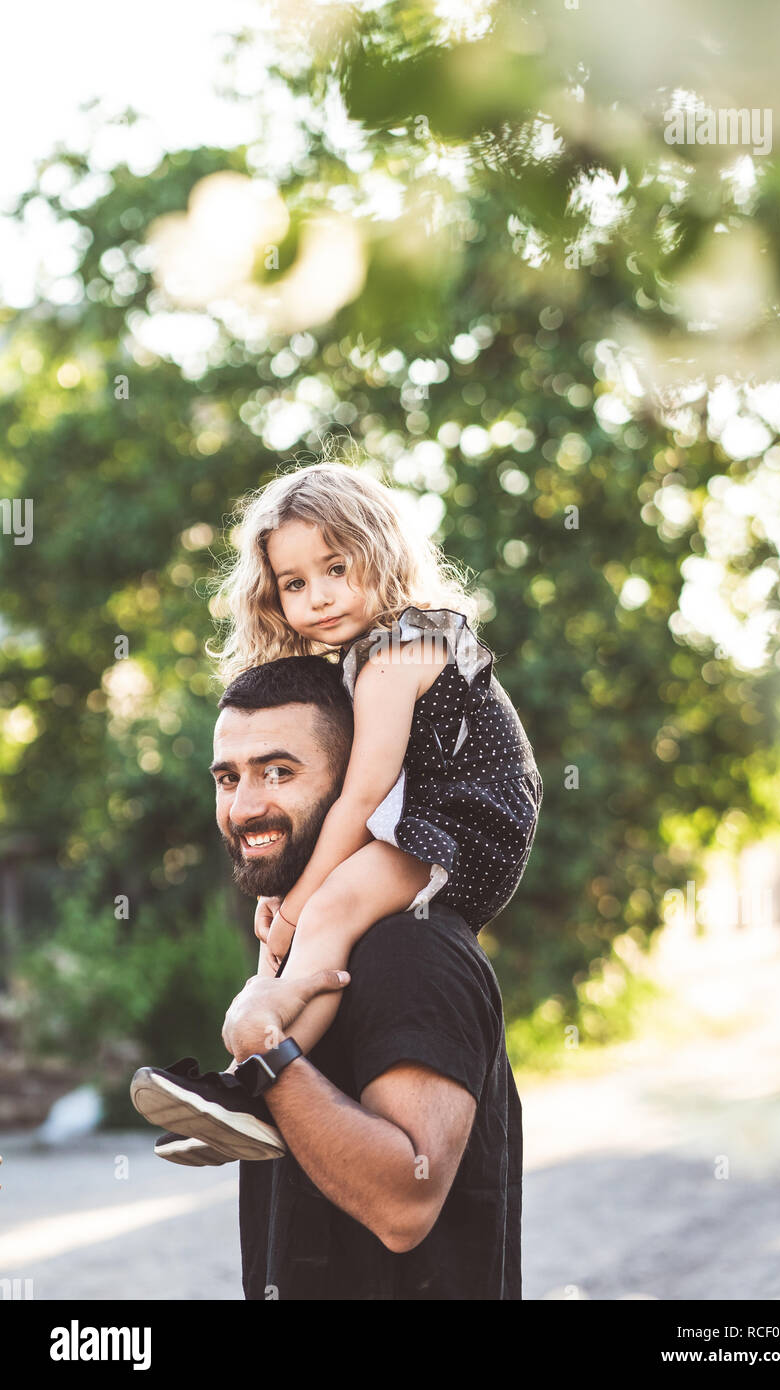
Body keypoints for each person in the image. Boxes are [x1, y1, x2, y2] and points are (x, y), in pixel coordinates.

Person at [131, 458, 542, 1159]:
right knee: (299, 916)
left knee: (324, 912)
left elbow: (363, 794)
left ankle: (258, 1081)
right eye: (294, 583)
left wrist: (299, 905)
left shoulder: (398, 651)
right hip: (432, 821)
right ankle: (242, 1092)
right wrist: (288, 901)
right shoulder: (360, 661)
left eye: (335, 569)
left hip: (474, 826)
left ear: (380, 555)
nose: (316, 597)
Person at [143, 658, 527, 1300]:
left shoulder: (410, 948)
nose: (244, 806)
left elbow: (406, 1204)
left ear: (355, 779)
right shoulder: (311, 937)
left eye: (279, 772)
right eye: (227, 778)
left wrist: (265, 1053)